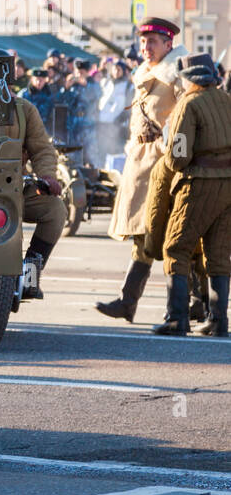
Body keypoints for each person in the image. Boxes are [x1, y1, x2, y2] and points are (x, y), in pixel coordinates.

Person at [97, 16, 188, 322]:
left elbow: (187, 120)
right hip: (140, 159)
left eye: (152, 42)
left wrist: (179, 161)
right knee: (142, 233)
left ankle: (190, 305)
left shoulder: (177, 72)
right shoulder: (145, 71)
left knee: (169, 236)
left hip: (162, 163)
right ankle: (128, 302)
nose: (146, 47)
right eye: (143, 41)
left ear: (168, 43)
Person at [145, 54, 231, 336]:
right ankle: (218, 321)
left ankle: (177, 318)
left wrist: (167, 160)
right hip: (228, 184)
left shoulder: (188, 104)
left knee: (176, 248)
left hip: (199, 184)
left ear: (189, 79)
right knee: (218, 253)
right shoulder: (227, 101)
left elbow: (179, 156)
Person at [0, 50, 66, 298]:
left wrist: (47, 177)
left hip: (13, 188)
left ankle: (30, 277)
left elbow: (42, 149)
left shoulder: (24, 110)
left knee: (55, 210)